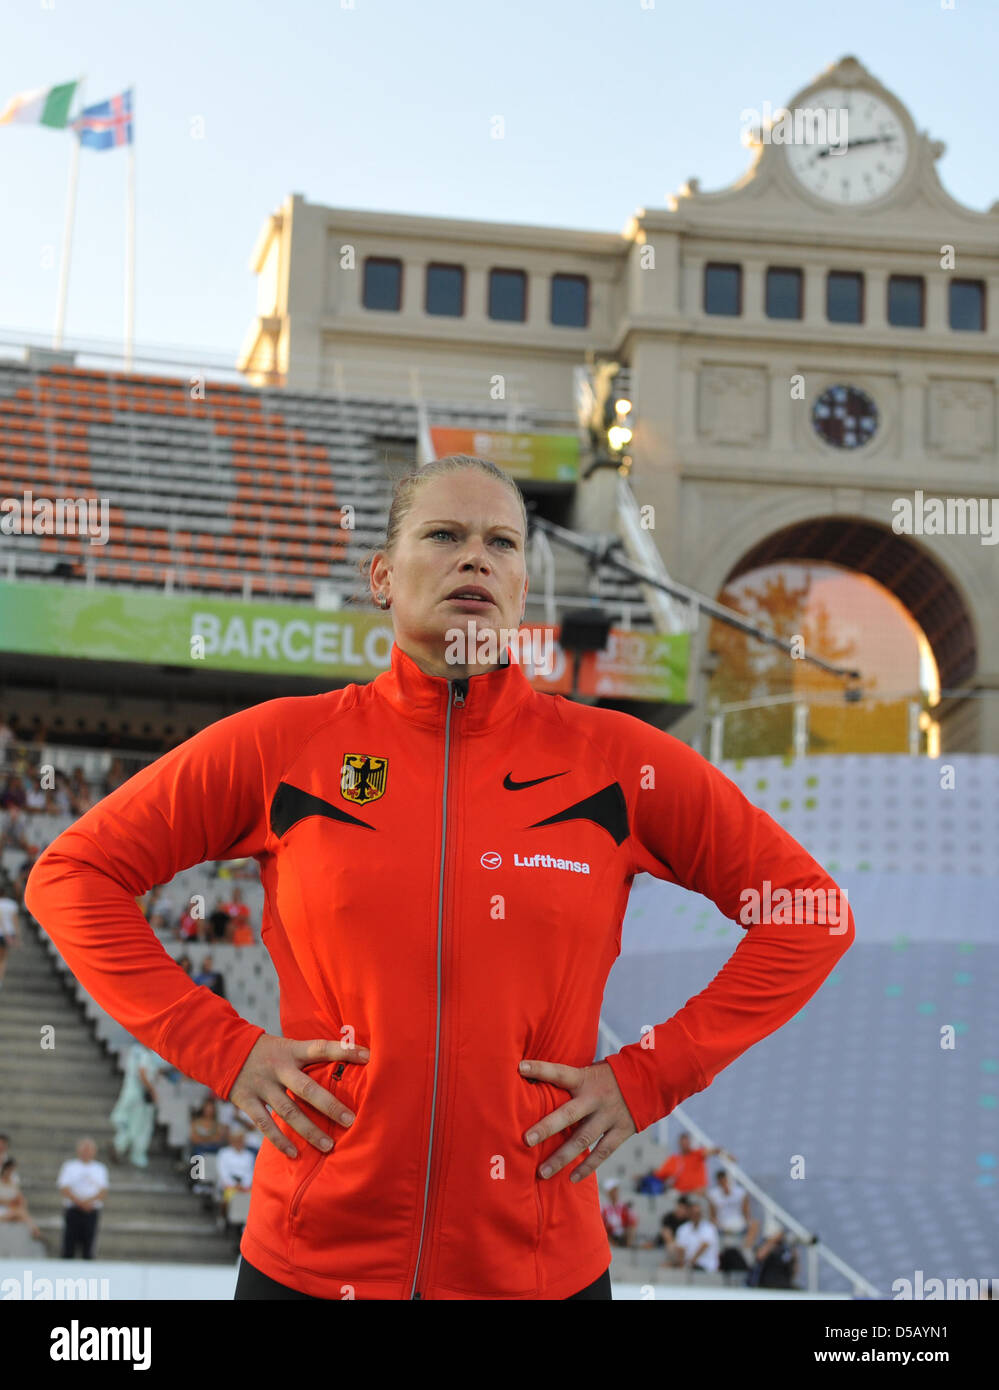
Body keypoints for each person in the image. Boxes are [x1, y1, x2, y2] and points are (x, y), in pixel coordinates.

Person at [23, 453, 855, 1301]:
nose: (475, 559)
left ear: (523, 587)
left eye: (501, 542)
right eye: (444, 535)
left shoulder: (618, 762)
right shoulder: (284, 743)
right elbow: (72, 875)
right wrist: (226, 1052)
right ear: (381, 576)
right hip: (309, 1265)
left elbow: (810, 915)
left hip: (538, 1272)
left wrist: (646, 1077)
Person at [108, 1043, 164, 1168]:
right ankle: (126, 1150)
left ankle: (119, 1147)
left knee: (125, 1122)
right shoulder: (144, 1054)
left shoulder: (134, 1050)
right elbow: (142, 1073)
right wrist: (152, 1090)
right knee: (138, 1126)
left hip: (129, 1093)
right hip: (139, 1097)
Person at [56, 1137, 108, 1259]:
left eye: (89, 1149)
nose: (86, 1152)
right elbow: (64, 1188)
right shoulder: (69, 1166)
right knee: (69, 1245)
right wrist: (80, 1202)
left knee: (89, 1247)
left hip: (91, 1210)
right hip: (73, 1209)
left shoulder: (100, 1168)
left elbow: (103, 1191)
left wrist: (87, 1203)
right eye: (84, 1149)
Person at [651, 1132, 733, 1200]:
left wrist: (726, 1154)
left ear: (690, 1143)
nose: (685, 1145)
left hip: (698, 1193)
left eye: (687, 1142)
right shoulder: (674, 1159)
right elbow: (660, 1174)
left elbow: (714, 1151)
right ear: (679, 1144)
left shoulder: (697, 1154)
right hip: (681, 1195)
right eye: (683, 1142)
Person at [669, 1197, 720, 1273]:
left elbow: (704, 1246)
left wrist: (690, 1263)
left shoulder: (709, 1228)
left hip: (706, 1267)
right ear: (689, 1213)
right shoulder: (683, 1229)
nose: (695, 1216)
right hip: (689, 1266)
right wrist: (682, 1265)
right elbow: (681, 1249)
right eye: (693, 1213)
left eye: (697, 1214)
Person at [0, 1158, 43, 1241]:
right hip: (3, 1209)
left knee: (21, 1216)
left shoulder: (13, 1183)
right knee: (21, 1213)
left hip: (11, 1210)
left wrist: (21, 1203)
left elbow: (19, 1197)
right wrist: (10, 1202)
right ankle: (35, 1231)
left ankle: (34, 1231)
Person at [600, 1179, 638, 1248]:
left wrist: (628, 1240)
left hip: (623, 1236)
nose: (615, 1193)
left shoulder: (625, 1207)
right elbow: (602, 1227)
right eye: (612, 1191)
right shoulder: (604, 1209)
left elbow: (632, 1223)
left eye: (616, 1190)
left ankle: (627, 1245)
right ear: (608, 1193)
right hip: (611, 1237)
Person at [0, 874, 21, 990]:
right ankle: (0, 980)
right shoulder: (12, 904)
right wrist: (17, 937)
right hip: (8, 933)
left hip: (1, 933)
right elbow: (15, 922)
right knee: (3, 959)